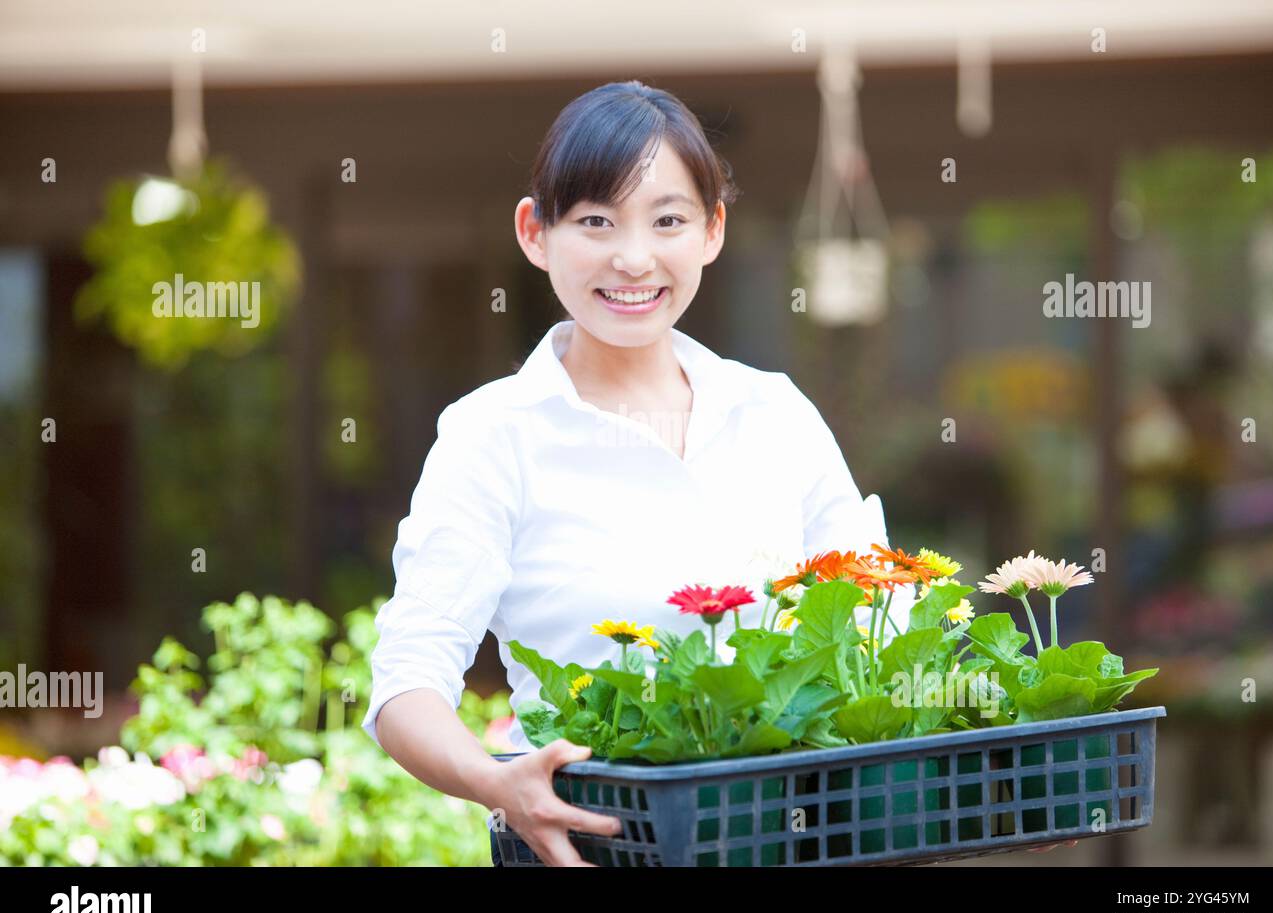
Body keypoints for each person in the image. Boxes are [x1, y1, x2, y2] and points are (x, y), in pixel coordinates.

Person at [364, 79, 1064, 866]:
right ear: (536, 233)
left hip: (792, 841)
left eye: (667, 220)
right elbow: (407, 686)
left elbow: (881, 617)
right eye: (596, 221)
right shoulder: (493, 434)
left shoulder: (773, 412)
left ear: (712, 230)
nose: (633, 258)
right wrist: (500, 785)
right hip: (598, 843)